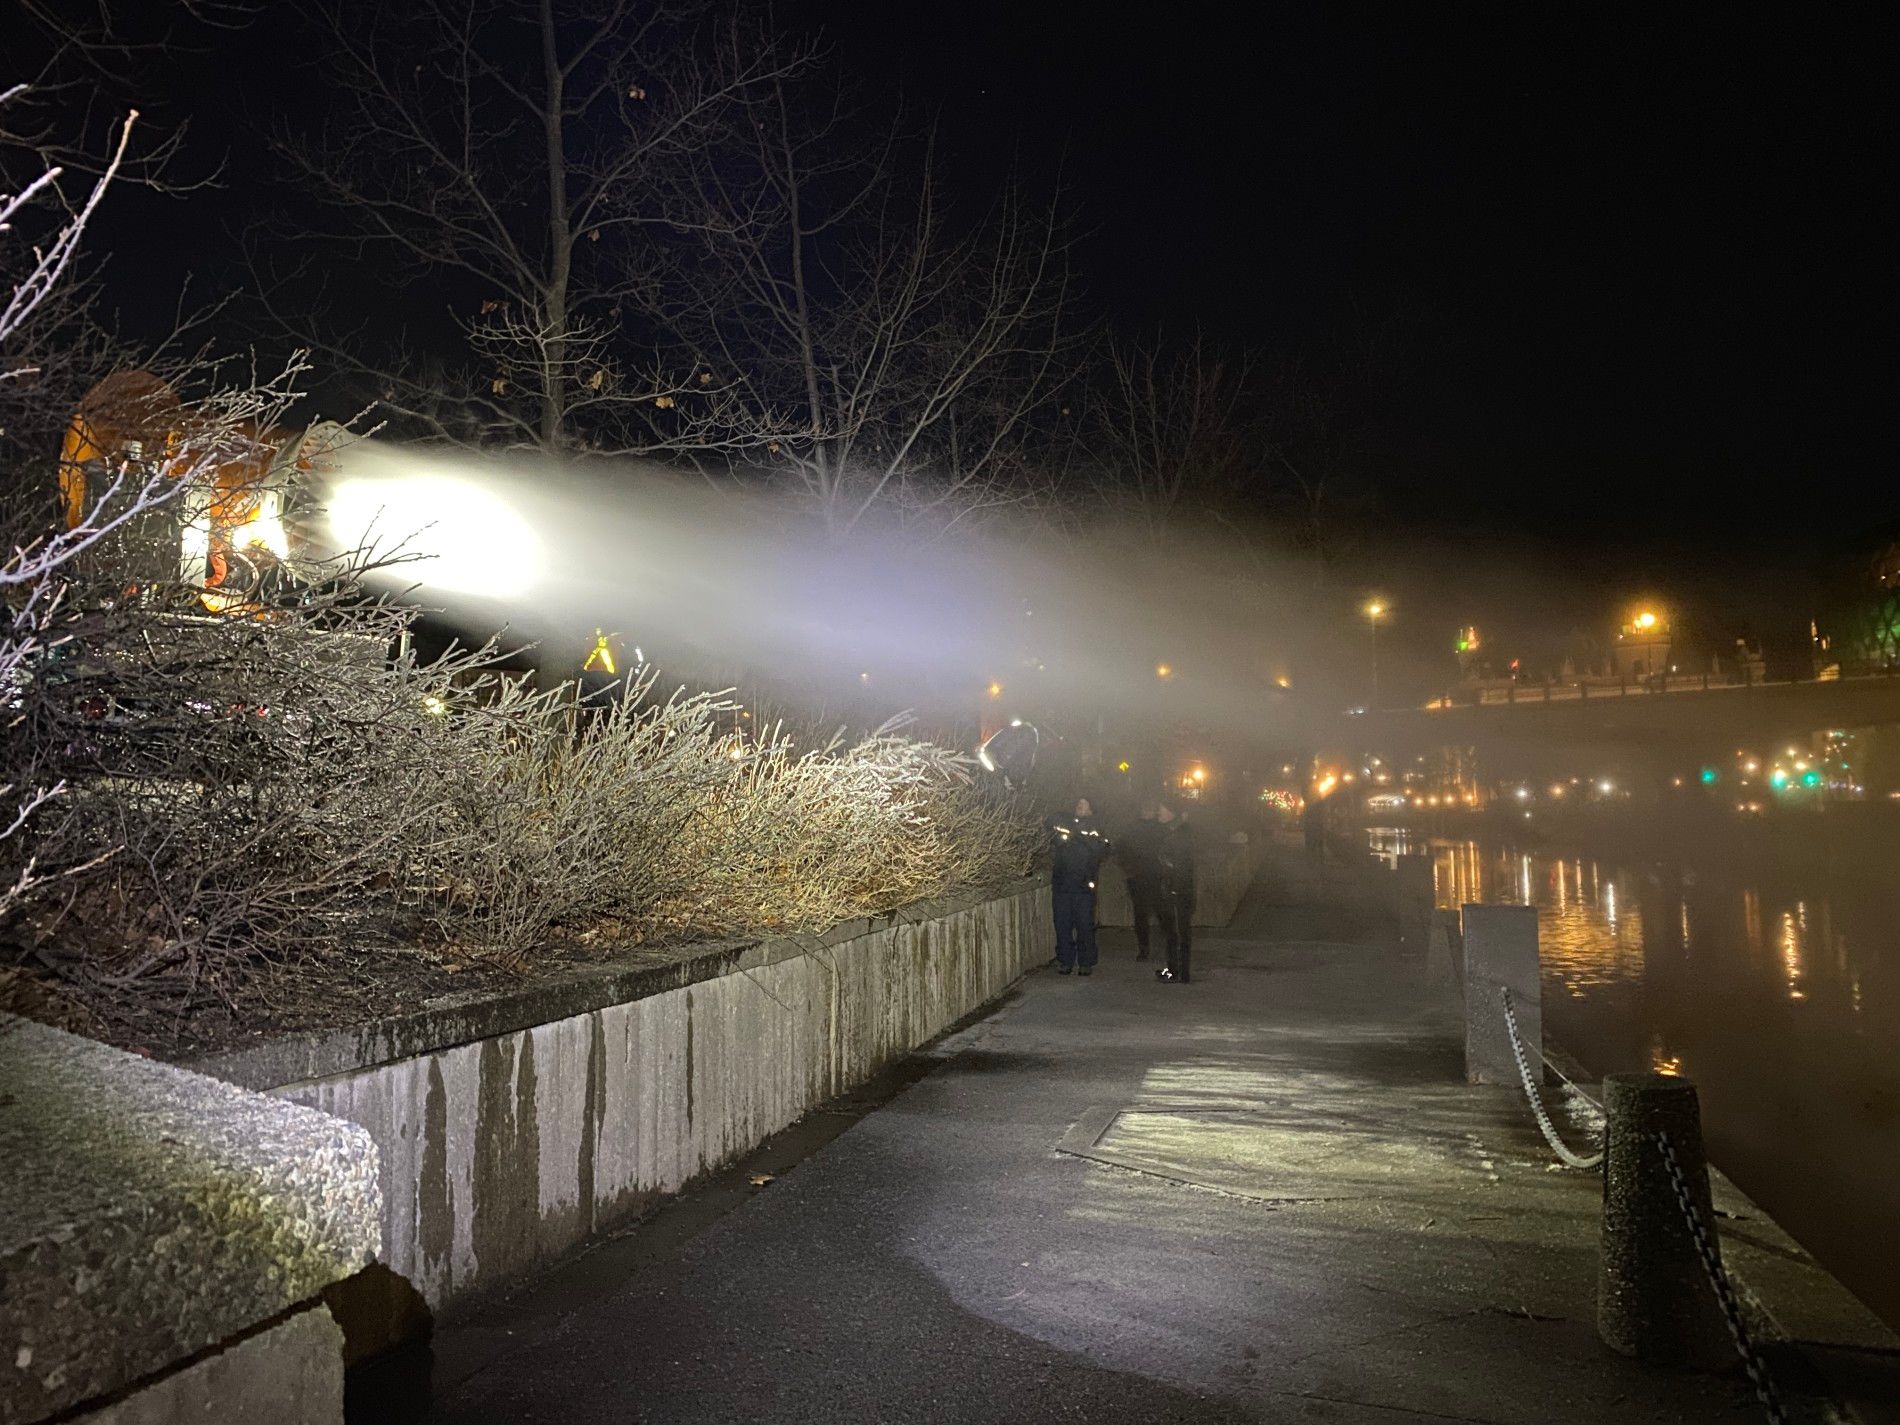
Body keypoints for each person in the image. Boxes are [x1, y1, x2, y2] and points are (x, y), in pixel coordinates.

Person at [1046, 796, 1110, 976]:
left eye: (1084, 805)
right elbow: (1053, 837)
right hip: (1063, 884)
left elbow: (1102, 850)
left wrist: (1081, 837)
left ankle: (1086, 962)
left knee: (1084, 925)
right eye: (1078, 804)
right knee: (1062, 924)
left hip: (1083, 886)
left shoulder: (1095, 827)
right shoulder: (1064, 823)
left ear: (1091, 809)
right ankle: (1065, 961)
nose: (1079, 807)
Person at [1153, 801, 1197, 983]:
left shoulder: (1177, 837)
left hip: (1176, 891)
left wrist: (1172, 888)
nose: (1158, 813)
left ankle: (1177, 971)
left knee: (1176, 932)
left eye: (1162, 810)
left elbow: (1177, 866)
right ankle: (1176, 969)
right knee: (1177, 932)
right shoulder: (1179, 834)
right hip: (1179, 890)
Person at [1118, 801, 1163, 961]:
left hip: (1157, 877)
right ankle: (1144, 948)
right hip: (1139, 877)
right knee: (1142, 915)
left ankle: (1163, 946)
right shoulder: (1133, 829)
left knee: (1160, 913)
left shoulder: (1161, 828)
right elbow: (1121, 849)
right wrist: (1129, 869)